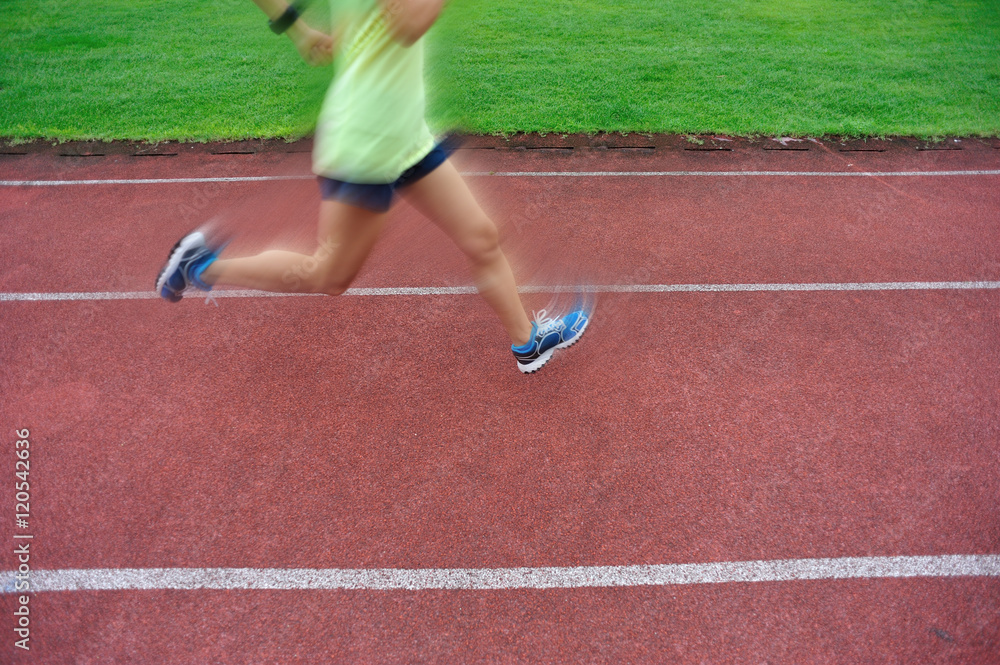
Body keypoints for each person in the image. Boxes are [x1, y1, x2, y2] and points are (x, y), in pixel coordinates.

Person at [155, 0, 589, 373]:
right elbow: (409, 25)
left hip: (405, 134)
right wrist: (298, 29)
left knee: (482, 238)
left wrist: (298, 30)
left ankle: (527, 343)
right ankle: (200, 267)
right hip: (365, 143)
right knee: (329, 275)